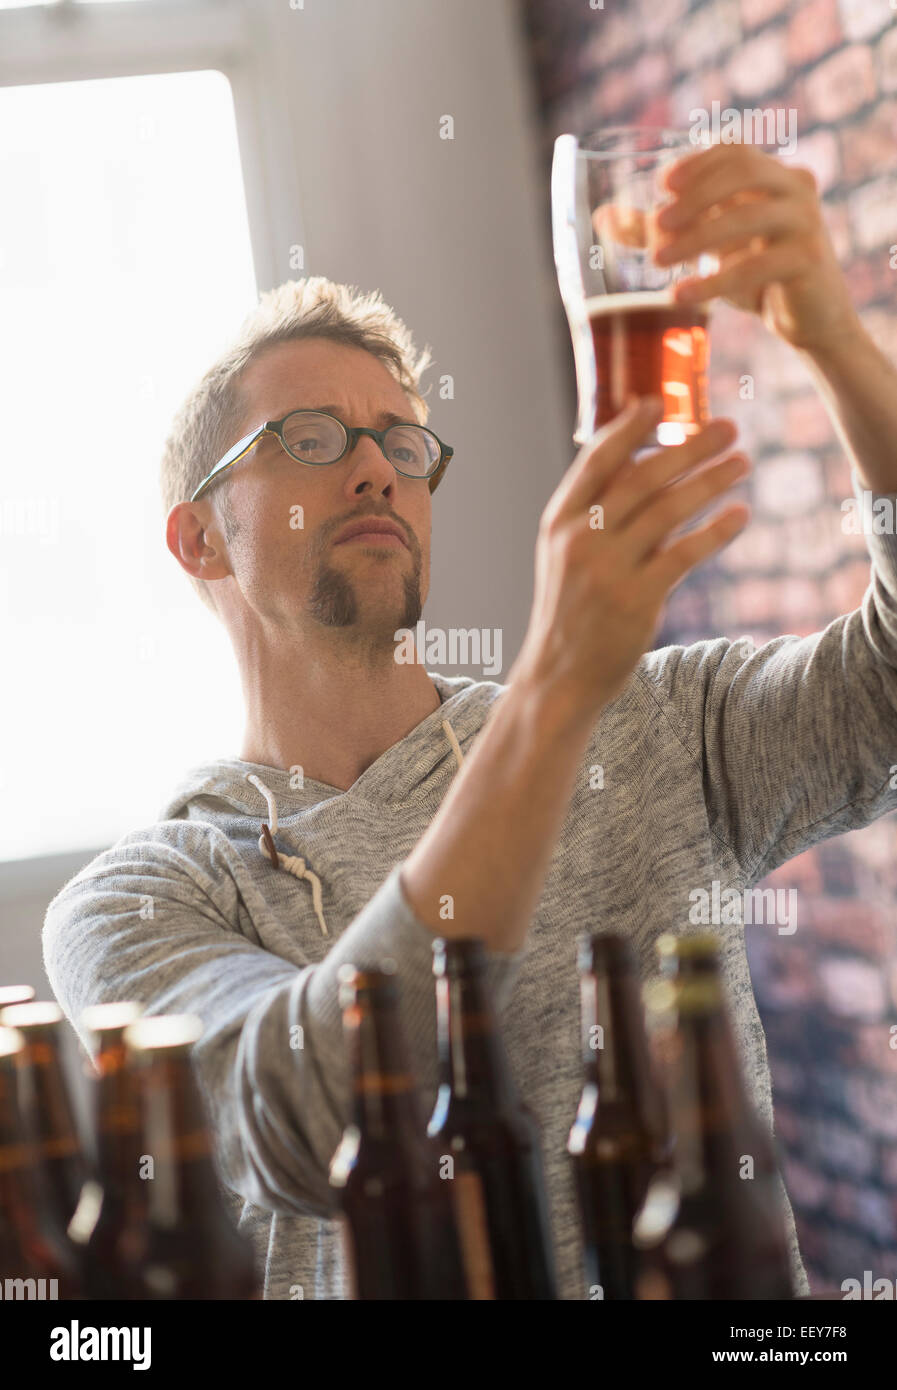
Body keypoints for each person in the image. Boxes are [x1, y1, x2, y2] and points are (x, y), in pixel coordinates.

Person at [44, 143, 897, 1299]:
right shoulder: (141, 900)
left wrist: (839, 346)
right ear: (199, 538)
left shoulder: (639, 722)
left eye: (401, 443)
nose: (377, 472)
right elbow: (312, 1112)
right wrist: (552, 689)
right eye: (310, 438)